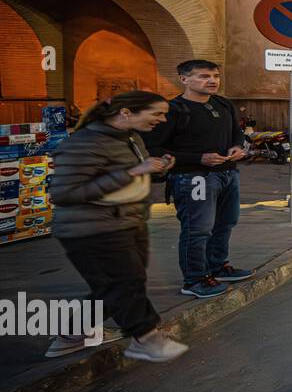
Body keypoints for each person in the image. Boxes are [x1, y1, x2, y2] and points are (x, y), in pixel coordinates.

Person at [47, 92, 189, 363]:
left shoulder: (131, 138)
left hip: (128, 221)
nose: (163, 119)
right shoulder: (83, 143)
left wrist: (158, 168)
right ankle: (146, 338)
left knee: (117, 284)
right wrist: (134, 172)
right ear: (126, 112)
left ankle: (70, 336)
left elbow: (132, 173)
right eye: (157, 113)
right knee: (123, 283)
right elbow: (65, 193)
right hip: (91, 228)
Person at [143, 60, 250, 298]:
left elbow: (237, 132)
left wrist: (237, 147)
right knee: (197, 230)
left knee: (226, 222)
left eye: (215, 75)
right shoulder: (172, 110)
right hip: (193, 177)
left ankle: (217, 266)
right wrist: (197, 158)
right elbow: (154, 147)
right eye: (203, 76)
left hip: (228, 173)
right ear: (184, 80)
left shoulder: (223, 103)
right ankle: (194, 279)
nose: (212, 80)